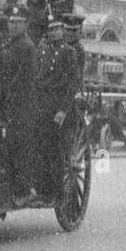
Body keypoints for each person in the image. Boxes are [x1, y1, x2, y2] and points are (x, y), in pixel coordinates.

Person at [32, 17, 80, 197]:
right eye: (50, 30)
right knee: (41, 149)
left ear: (62, 31)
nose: (53, 32)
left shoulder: (69, 53)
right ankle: (42, 189)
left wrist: (63, 110)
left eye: (56, 29)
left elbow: (72, 84)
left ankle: (58, 192)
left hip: (58, 106)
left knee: (56, 150)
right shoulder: (42, 51)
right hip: (42, 104)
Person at [0, 5, 38, 205]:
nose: (13, 26)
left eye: (17, 23)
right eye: (11, 22)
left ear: (24, 24)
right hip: (13, 104)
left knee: (21, 148)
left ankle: (25, 190)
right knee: (13, 147)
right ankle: (19, 188)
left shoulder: (25, 46)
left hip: (22, 106)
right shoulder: (12, 43)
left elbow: (19, 75)